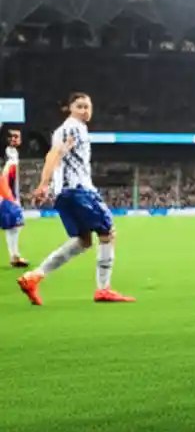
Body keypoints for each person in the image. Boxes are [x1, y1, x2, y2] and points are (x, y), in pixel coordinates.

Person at [17, 93, 134, 305]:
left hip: (64, 193)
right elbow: (54, 155)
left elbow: (54, 155)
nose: (85, 110)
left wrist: (48, 185)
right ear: (70, 108)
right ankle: (104, 289)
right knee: (108, 233)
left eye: (88, 107)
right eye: (79, 106)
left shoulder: (63, 130)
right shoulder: (73, 128)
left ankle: (33, 277)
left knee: (84, 240)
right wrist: (43, 184)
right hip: (80, 190)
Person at [2, 128, 26, 268]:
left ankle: (14, 256)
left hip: (10, 195)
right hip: (6, 195)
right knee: (15, 225)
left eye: (18, 136)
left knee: (14, 226)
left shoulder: (14, 154)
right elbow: (4, 177)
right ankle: (14, 256)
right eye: (13, 136)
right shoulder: (7, 153)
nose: (16, 139)